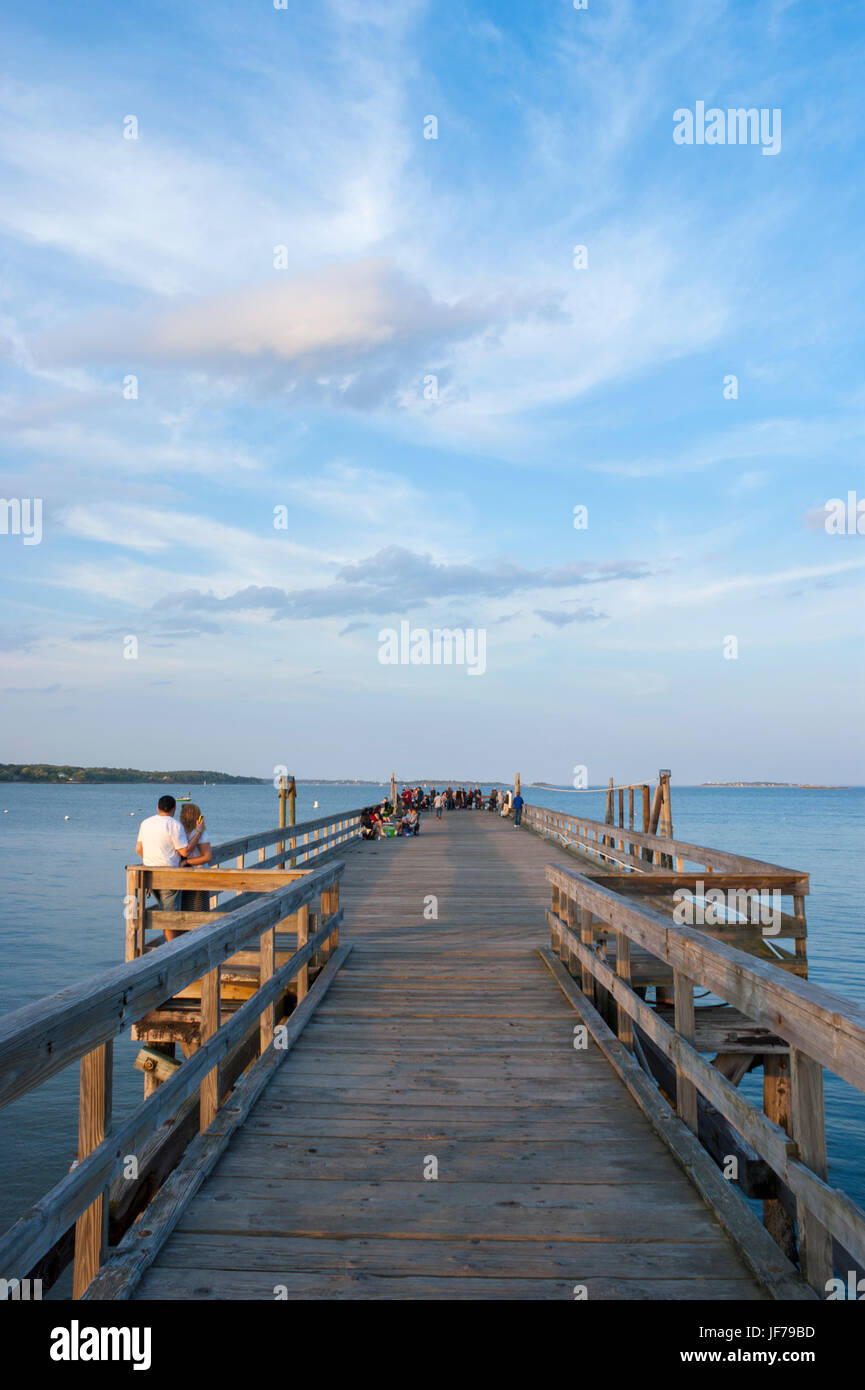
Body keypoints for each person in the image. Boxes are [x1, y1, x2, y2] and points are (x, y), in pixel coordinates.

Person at [135, 795, 203, 941]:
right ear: (174, 808)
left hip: (149, 874)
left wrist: (151, 860)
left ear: (157, 808)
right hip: (168, 875)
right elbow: (184, 851)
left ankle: (170, 948)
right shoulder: (174, 825)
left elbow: (139, 849)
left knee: (165, 913)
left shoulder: (145, 823)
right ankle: (172, 951)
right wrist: (198, 833)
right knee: (170, 918)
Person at [179, 803, 212, 909]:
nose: (179, 815)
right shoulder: (182, 831)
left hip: (199, 874)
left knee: (199, 907)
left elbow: (207, 857)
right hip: (185, 876)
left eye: (181, 813)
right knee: (185, 908)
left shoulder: (201, 834)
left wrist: (187, 862)